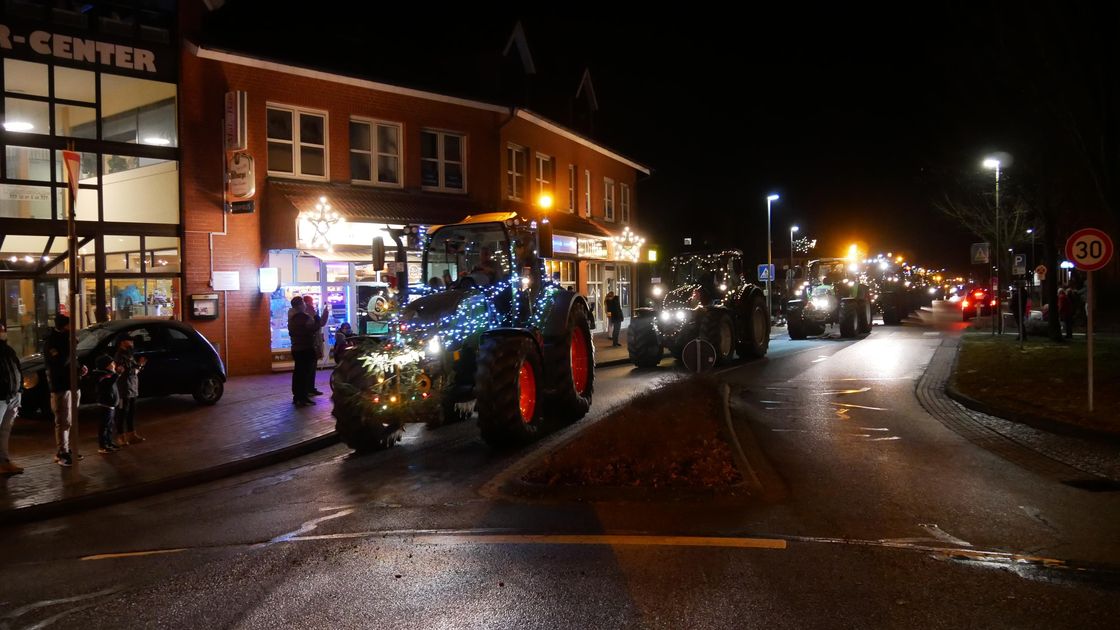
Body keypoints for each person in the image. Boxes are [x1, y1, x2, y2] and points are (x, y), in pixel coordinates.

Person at [43, 313, 86, 467]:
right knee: (63, 420)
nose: (72, 328)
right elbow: (60, 362)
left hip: (73, 384)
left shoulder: (67, 338)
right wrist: (71, 347)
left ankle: (68, 449)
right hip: (62, 386)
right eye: (69, 325)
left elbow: (72, 359)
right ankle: (62, 452)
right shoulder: (52, 341)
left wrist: (80, 368)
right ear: (64, 326)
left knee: (71, 419)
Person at [288, 296, 328, 406]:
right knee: (304, 374)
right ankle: (302, 397)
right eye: (304, 304)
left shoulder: (293, 317)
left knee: (299, 373)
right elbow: (314, 327)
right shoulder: (302, 317)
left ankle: (298, 396)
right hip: (305, 348)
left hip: (297, 348)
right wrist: (315, 316)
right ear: (300, 305)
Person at [0, 323, 24, 475]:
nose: (3, 332)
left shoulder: (7, 349)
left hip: (12, 395)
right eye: (1, 330)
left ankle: (4, 461)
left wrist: (19, 389)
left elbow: (17, 368)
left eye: (3, 329)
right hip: (1, 397)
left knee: (5, 431)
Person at [113, 336, 147, 444]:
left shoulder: (129, 354)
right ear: (122, 342)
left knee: (131, 412)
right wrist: (139, 366)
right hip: (123, 389)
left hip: (132, 388)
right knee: (122, 412)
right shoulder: (119, 356)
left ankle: (131, 434)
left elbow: (133, 369)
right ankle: (120, 436)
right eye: (130, 340)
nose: (132, 343)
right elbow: (125, 371)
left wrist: (140, 365)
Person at [88, 354, 122, 454]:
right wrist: (117, 374)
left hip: (111, 405)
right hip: (105, 405)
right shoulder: (101, 375)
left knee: (110, 425)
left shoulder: (109, 373)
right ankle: (103, 446)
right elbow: (108, 383)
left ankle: (109, 442)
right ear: (105, 365)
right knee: (104, 426)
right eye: (112, 363)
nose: (114, 365)